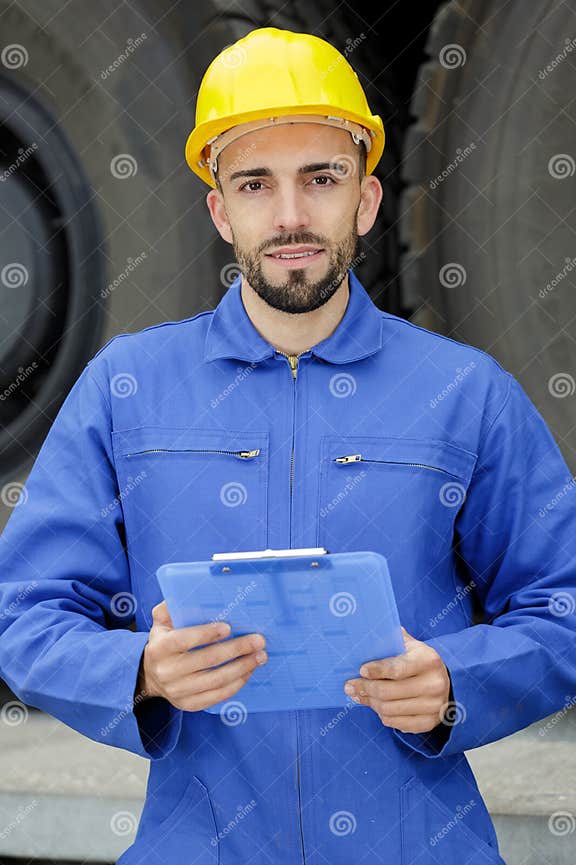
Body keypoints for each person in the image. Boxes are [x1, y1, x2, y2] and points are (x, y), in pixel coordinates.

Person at [0, 25, 575, 865]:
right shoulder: (126, 389)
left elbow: (564, 603)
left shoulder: (465, 392)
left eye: (321, 178)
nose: (291, 216)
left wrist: (459, 679)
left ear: (366, 201)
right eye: (255, 184)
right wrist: (142, 671)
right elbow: (23, 614)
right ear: (220, 211)